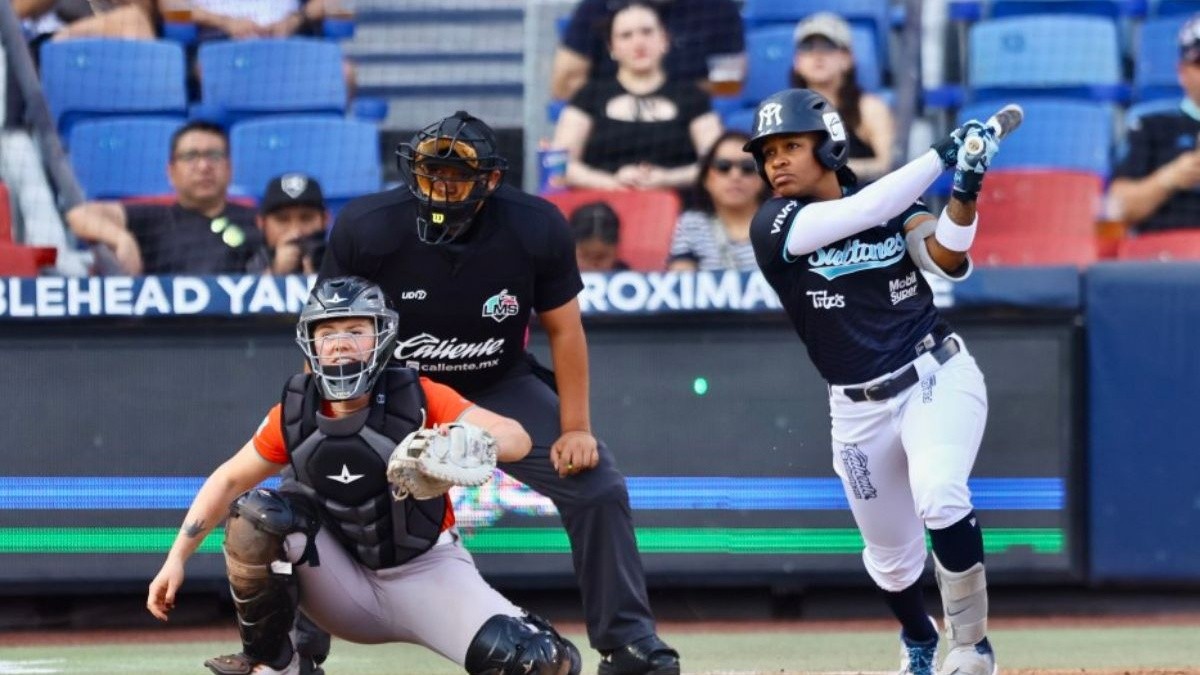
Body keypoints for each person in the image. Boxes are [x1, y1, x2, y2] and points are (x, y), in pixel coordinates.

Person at [316, 110, 681, 675]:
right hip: (390, 388)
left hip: (499, 385)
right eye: (431, 171)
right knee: (310, 489)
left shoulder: (537, 225)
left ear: (489, 180)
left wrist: (576, 428)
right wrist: (333, 419)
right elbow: (327, 329)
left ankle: (628, 643)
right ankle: (290, 654)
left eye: (456, 174)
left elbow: (566, 330)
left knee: (598, 485)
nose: (441, 185)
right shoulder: (368, 226)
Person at [147, 275, 582, 675]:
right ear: (310, 343)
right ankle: (278, 663)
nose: (340, 344)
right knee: (256, 515)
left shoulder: (419, 396)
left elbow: (516, 437)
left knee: (539, 661)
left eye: (355, 331)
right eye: (327, 333)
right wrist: (176, 559)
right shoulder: (294, 413)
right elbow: (228, 481)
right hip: (340, 586)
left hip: (427, 572)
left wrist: (468, 441)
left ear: (382, 336)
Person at [744, 88, 1004, 675]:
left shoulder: (890, 203)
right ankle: (919, 635)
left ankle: (971, 647)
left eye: (791, 146)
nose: (776, 161)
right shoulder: (773, 223)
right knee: (891, 558)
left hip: (933, 373)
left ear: (829, 146)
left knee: (940, 492)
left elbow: (947, 257)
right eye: (767, 153)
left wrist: (965, 191)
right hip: (856, 406)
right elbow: (860, 212)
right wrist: (944, 154)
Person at [550, 1, 723, 192]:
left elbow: (718, 162)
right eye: (626, 35)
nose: (638, 43)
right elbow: (559, 163)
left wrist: (667, 178)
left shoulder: (692, 96)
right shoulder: (589, 95)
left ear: (664, 39)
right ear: (611, 47)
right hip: (601, 203)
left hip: (680, 204)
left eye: (647, 32)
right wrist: (613, 182)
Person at [66, 120, 262, 275]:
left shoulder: (257, 220)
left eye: (214, 156)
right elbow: (80, 215)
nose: (204, 167)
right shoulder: (153, 219)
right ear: (171, 172)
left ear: (229, 169)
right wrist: (121, 239)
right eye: (190, 156)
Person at [1108, 12, 1200, 233]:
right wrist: (1170, 178)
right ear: (1182, 72)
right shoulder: (1151, 126)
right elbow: (1117, 207)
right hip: (1164, 249)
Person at [550, 0, 745, 101]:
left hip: (688, 118)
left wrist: (669, 98)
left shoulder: (718, 8)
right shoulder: (598, 7)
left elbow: (729, 86)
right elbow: (565, 84)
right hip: (607, 119)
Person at [790, 12, 895, 182]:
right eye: (808, 47)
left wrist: (829, 168)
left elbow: (888, 165)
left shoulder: (869, 108)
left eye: (828, 47)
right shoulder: (785, 111)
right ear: (797, 62)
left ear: (847, 58)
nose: (817, 55)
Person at [667, 130, 768, 271]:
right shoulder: (692, 224)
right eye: (723, 166)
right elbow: (681, 281)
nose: (735, 176)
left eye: (748, 167)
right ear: (706, 178)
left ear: (762, 178)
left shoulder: (782, 223)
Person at [250, 173, 330, 275]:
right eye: (282, 219)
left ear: (325, 220)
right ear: (261, 223)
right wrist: (276, 274)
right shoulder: (241, 260)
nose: (295, 232)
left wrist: (315, 280)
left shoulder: (342, 261)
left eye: (306, 218)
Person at [570, 201, 629, 272]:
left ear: (616, 250)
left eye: (601, 257)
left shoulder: (628, 276)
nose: (592, 266)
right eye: (585, 256)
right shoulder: (559, 275)